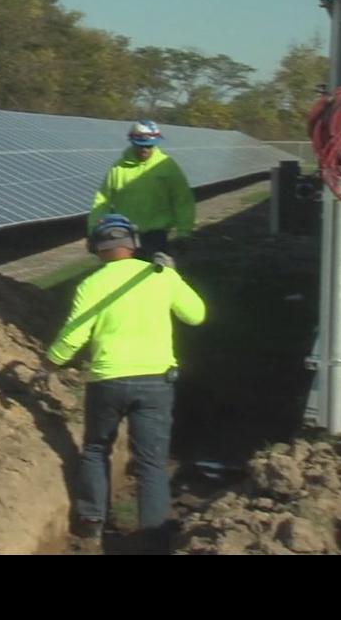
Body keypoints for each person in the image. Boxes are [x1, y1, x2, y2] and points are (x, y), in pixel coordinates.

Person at [43, 214, 207, 552]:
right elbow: (196, 315)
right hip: (155, 382)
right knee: (150, 460)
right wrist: (174, 275)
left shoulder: (90, 285)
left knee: (95, 449)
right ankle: (154, 533)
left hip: (108, 380)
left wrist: (51, 362)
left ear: (96, 249)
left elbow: (74, 335)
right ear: (134, 244)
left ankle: (91, 521)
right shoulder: (161, 278)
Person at [87, 120, 196, 261]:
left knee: (154, 277)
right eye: (140, 146)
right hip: (124, 235)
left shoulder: (167, 166)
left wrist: (184, 233)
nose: (145, 149)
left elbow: (183, 200)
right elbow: (102, 201)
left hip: (156, 235)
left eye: (149, 146)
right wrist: (93, 232)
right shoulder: (118, 169)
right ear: (132, 142)